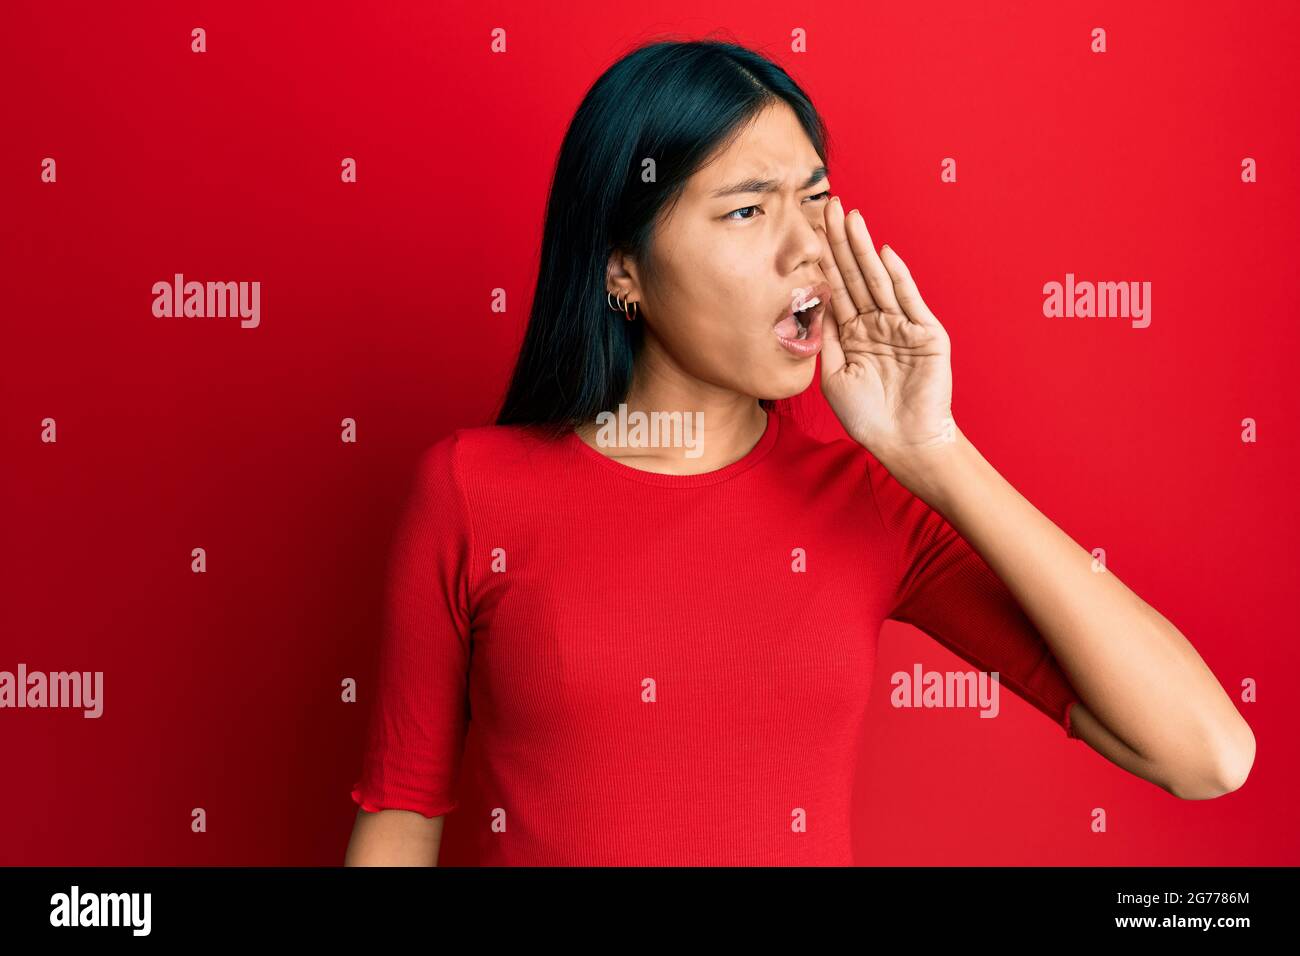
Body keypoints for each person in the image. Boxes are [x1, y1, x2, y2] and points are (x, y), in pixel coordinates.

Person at [344, 38, 1254, 867]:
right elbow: (400, 815)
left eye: (815, 201)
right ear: (622, 267)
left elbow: (1204, 754)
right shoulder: (473, 490)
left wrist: (931, 448)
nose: (806, 249)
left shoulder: (868, 499)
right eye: (746, 210)